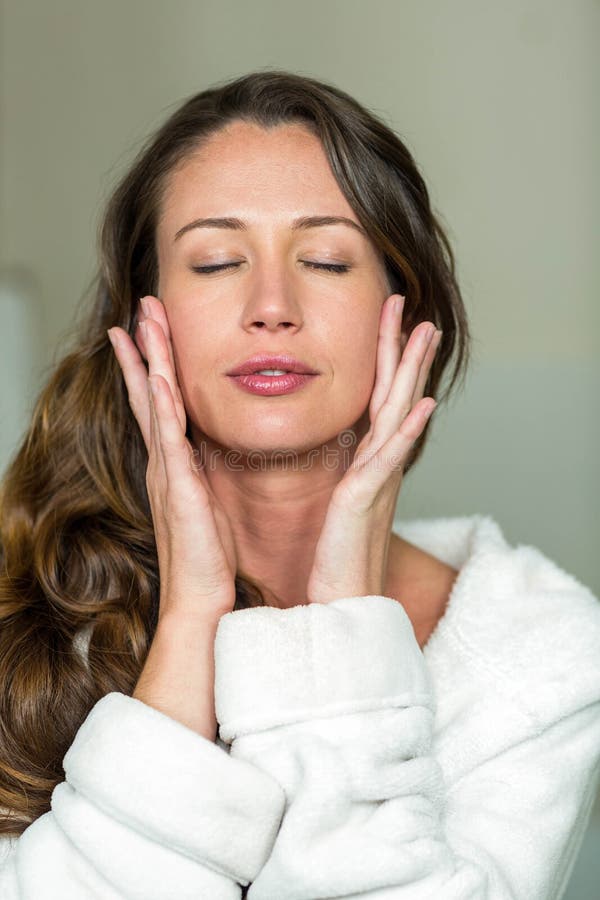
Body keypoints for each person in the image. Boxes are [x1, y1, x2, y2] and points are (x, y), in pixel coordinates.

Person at [0, 69, 599, 899]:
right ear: (146, 318)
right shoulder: (19, 623)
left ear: (409, 312)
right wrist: (187, 626)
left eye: (324, 258)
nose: (272, 305)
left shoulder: (539, 655)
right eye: (214, 262)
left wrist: (346, 620)